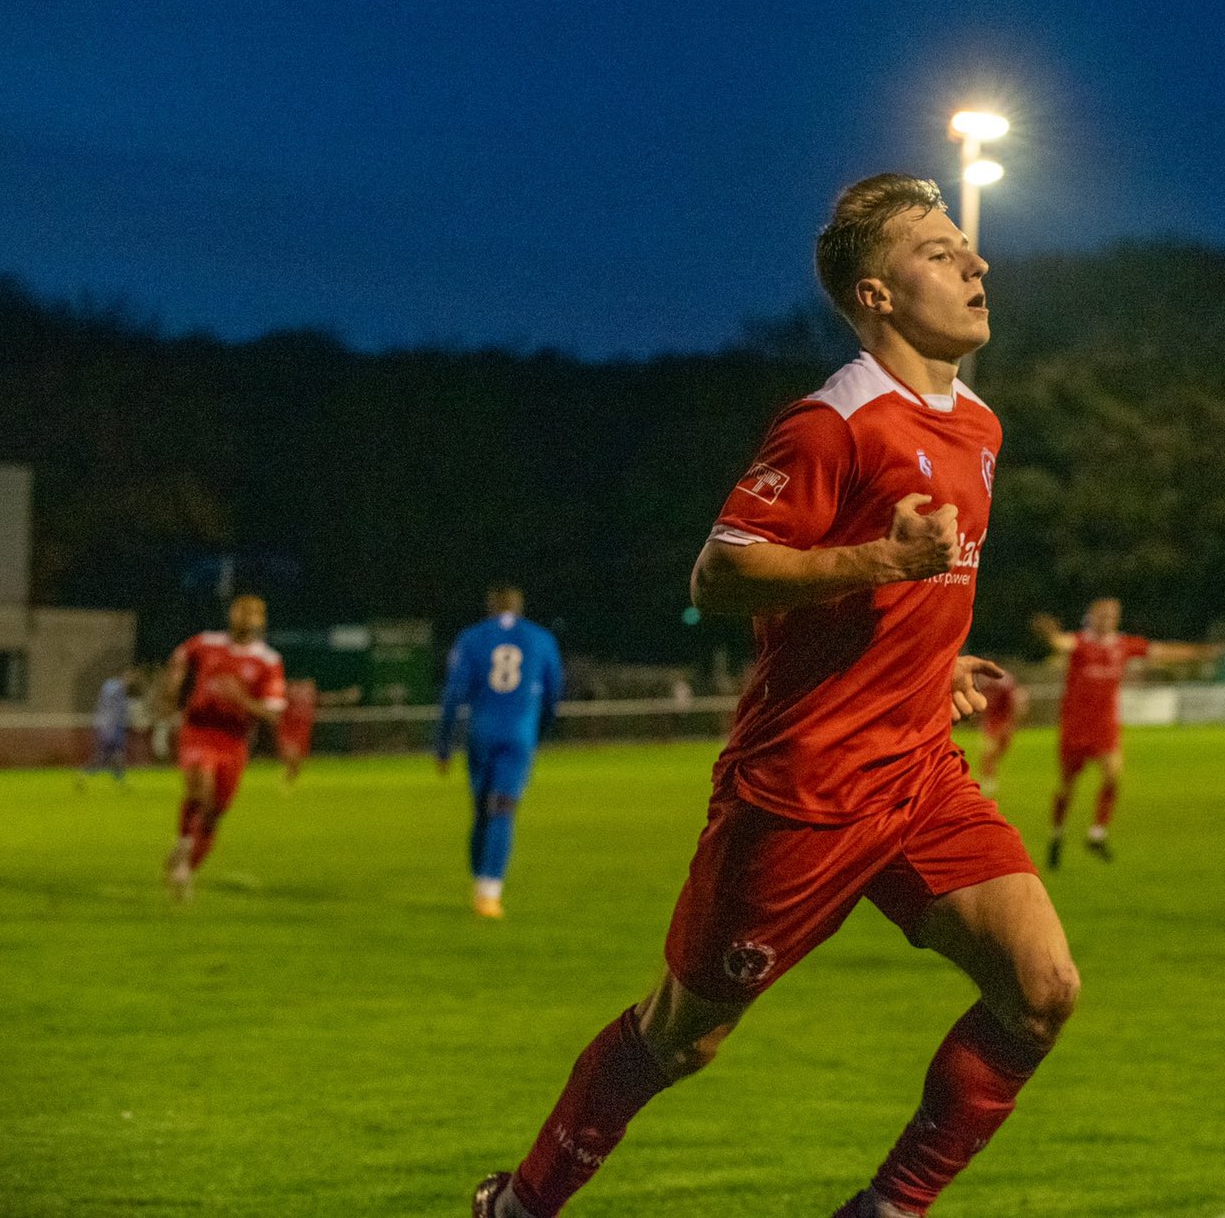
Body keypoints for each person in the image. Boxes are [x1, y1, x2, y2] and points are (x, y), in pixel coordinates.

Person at [472, 174, 1079, 1218]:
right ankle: (521, 1205)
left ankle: (885, 1209)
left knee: (1041, 989)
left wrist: (931, 661)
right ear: (876, 295)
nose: (976, 262)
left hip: (918, 777)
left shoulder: (978, 426)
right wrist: (881, 560)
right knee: (683, 1035)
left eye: (965, 247)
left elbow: (903, 595)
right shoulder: (833, 422)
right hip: (804, 790)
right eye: (940, 253)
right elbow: (719, 575)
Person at [1034, 600, 1225, 868]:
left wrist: (1201, 652)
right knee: (1067, 787)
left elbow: (1162, 651)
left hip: (1105, 727)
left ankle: (1097, 834)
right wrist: (1049, 634)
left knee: (1113, 775)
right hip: (1075, 728)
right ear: (1091, 617)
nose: (1107, 619)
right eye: (1102, 615)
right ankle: (1057, 834)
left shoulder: (1124, 645)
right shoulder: (1080, 642)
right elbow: (1060, 643)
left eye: (1112, 615)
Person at [436, 586, 565, 918]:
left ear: (491, 607)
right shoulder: (541, 638)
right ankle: (489, 892)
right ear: (519, 607)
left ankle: (481, 882)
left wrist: (443, 744)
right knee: (502, 809)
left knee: (483, 810)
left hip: (481, 733)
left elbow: (453, 693)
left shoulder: (472, 638)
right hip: (519, 735)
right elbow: (554, 693)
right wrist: (540, 731)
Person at [159, 595, 287, 900]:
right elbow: (180, 657)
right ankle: (184, 844)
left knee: (214, 813)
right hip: (199, 729)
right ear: (231, 614)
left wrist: (241, 700)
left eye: (252, 613)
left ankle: (185, 868)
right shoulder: (208, 642)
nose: (244, 617)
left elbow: (273, 712)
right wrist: (174, 683)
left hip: (234, 740)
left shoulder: (268, 661)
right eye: (240, 611)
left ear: (260, 621)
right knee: (200, 788)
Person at [78, 667, 143, 788]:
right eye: (130, 677)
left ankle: (120, 781)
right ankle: (84, 775)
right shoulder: (113, 686)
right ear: (124, 675)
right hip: (109, 727)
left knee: (117, 754)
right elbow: (109, 707)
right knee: (105, 756)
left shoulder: (119, 690)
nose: (131, 681)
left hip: (115, 726)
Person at [974, 665, 1028, 798]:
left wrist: (1013, 721)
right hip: (991, 723)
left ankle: (989, 773)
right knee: (989, 752)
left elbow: (1016, 701)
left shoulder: (1006, 683)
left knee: (999, 750)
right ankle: (988, 782)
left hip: (1005, 721)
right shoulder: (984, 682)